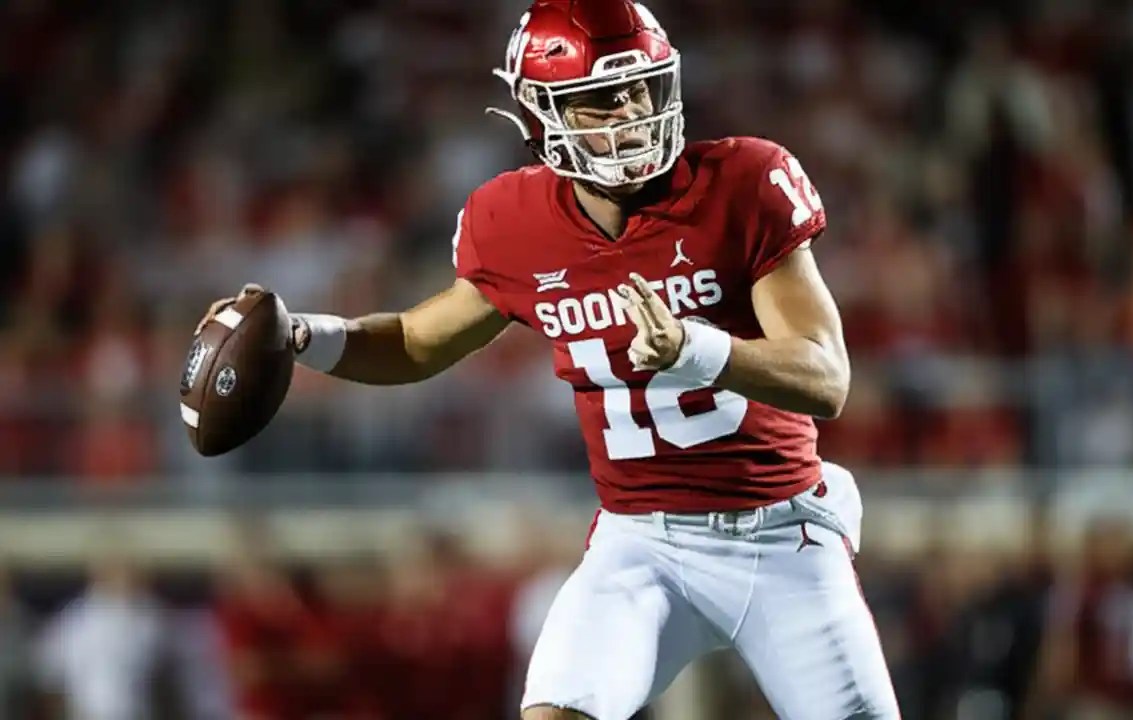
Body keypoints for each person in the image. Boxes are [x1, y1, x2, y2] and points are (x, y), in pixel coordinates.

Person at [198, 1, 899, 717]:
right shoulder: (514, 221)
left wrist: (697, 349)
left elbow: (826, 375)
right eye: (599, 98)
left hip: (780, 533)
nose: (629, 111)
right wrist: (304, 337)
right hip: (643, 544)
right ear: (540, 114)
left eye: (639, 88)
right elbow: (417, 342)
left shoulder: (744, 181)